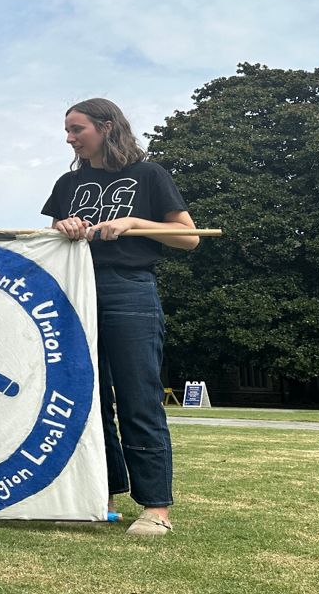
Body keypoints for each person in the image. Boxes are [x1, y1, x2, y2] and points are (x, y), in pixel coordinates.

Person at [41, 97, 199, 536]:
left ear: (107, 126)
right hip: (76, 292)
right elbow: (51, 241)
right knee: (88, 398)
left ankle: (156, 509)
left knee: (138, 396)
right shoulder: (68, 184)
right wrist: (63, 228)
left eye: (77, 129)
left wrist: (132, 223)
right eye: (67, 130)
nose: (69, 138)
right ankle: (101, 498)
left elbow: (188, 237)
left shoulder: (149, 174)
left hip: (130, 289)